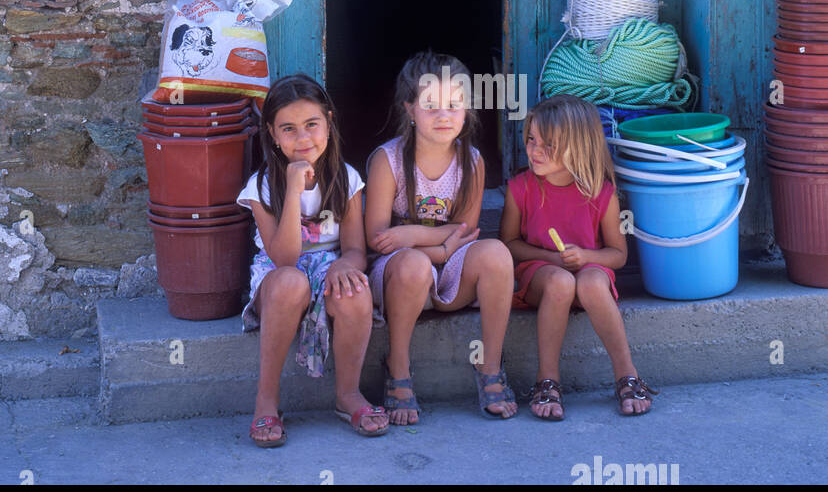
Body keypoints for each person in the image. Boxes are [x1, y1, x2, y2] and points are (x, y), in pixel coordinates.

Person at [365, 50, 518, 422]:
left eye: (454, 104)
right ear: (409, 110)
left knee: (496, 253)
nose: (444, 115)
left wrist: (415, 234)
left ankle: (490, 367)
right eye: (431, 105)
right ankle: (398, 368)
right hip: (399, 276)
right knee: (414, 264)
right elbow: (378, 239)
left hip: (449, 271)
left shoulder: (473, 162)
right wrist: (442, 242)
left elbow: (464, 234)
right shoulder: (388, 161)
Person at [238, 73, 388, 446]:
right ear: (272, 134)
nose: (303, 139)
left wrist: (344, 265)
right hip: (278, 273)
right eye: (288, 129)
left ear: (329, 123)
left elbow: (356, 250)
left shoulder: (346, 179)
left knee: (354, 288)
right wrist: (291, 188)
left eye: (311, 125)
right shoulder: (260, 186)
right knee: (292, 281)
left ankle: (348, 394)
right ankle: (266, 401)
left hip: (327, 265)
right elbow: (285, 258)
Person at [500, 94, 658, 419]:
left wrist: (586, 256)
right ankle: (547, 381)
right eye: (531, 139)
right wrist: (554, 259)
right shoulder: (521, 188)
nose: (534, 150)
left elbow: (617, 255)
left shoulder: (601, 194)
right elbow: (509, 245)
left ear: (579, 145)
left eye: (549, 144)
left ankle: (627, 374)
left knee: (592, 282)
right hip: (541, 276)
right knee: (560, 282)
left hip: (589, 273)